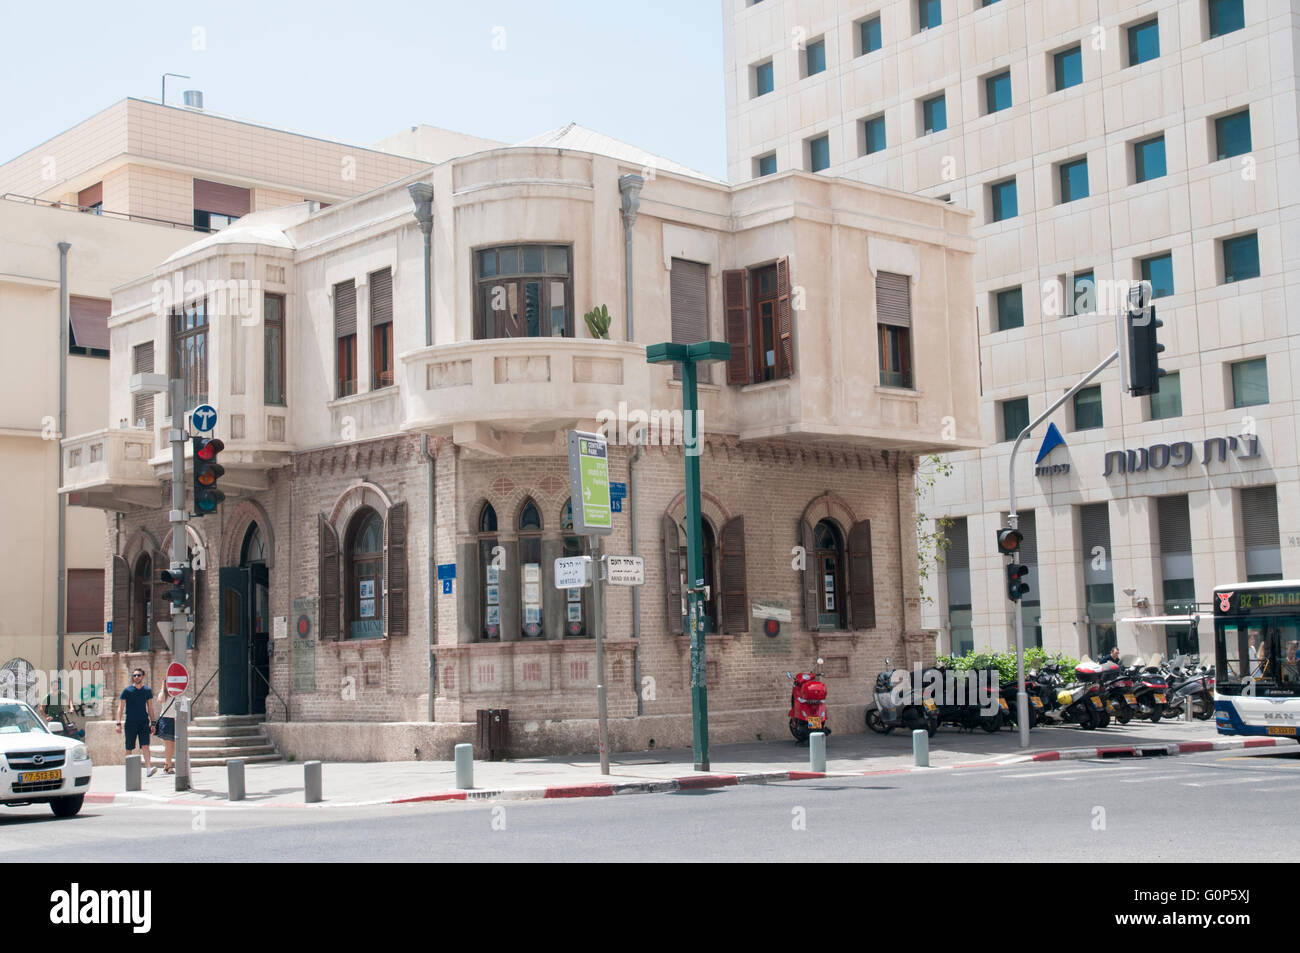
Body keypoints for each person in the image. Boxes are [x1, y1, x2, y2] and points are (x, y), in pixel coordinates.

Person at [115, 668, 156, 776]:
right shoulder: (127, 691)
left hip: (143, 722)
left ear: (143, 676)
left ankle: (148, 768)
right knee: (129, 747)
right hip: (130, 722)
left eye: (138, 675)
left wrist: (153, 723)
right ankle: (129, 770)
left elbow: (150, 708)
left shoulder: (147, 691)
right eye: (134, 675)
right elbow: (120, 707)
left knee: (145, 745)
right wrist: (118, 723)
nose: (136, 677)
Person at [155, 701, 176, 774]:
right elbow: (160, 699)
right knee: (168, 744)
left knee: (173, 745)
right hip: (166, 718)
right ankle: (170, 766)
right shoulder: (164, 692)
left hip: (176, 718)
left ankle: (167, 763)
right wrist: (165, 689)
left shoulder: (180, 692)